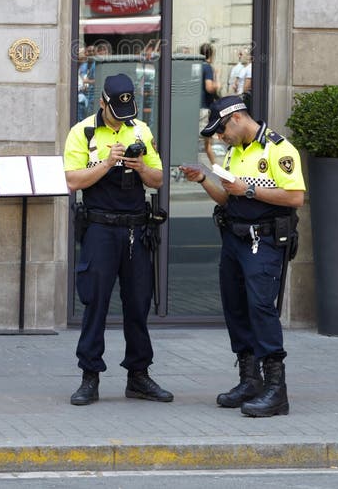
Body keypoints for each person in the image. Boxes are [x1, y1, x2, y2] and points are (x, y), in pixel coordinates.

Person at [181, 96, 305, 417]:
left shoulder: (278, 149)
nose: (221, 137)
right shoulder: (235, 153)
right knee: (236, 308)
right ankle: (250, 379)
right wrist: (205, 178)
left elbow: (295, 196)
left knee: (261, 308)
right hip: (234, 238)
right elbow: (227, 198)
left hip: (263, 241)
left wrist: (248, 190)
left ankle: (277, 390)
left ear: (236, 118)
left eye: (222, 130)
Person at [63, 73, 173, 406]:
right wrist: (108, 163)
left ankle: (139, 376)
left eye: (128, 112)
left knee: (138, 304)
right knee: (95, 303)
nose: (122, 119)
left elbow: (159, 179)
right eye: (115, 113)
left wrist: (138, 166)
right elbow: (72, 180)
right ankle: (89, 376)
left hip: (136, 231)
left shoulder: (140, 130)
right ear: (102, 103)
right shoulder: (82, 132)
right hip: (100, 228)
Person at [199, 42, 220, 166]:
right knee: (207, 143)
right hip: (203, 108)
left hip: (196, 106)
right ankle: (217, 168)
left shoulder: (197, 65)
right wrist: (217, 78)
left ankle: (216, 167)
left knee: (205, 143)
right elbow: (210, 88)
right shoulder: (207, 67)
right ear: (211, 54)